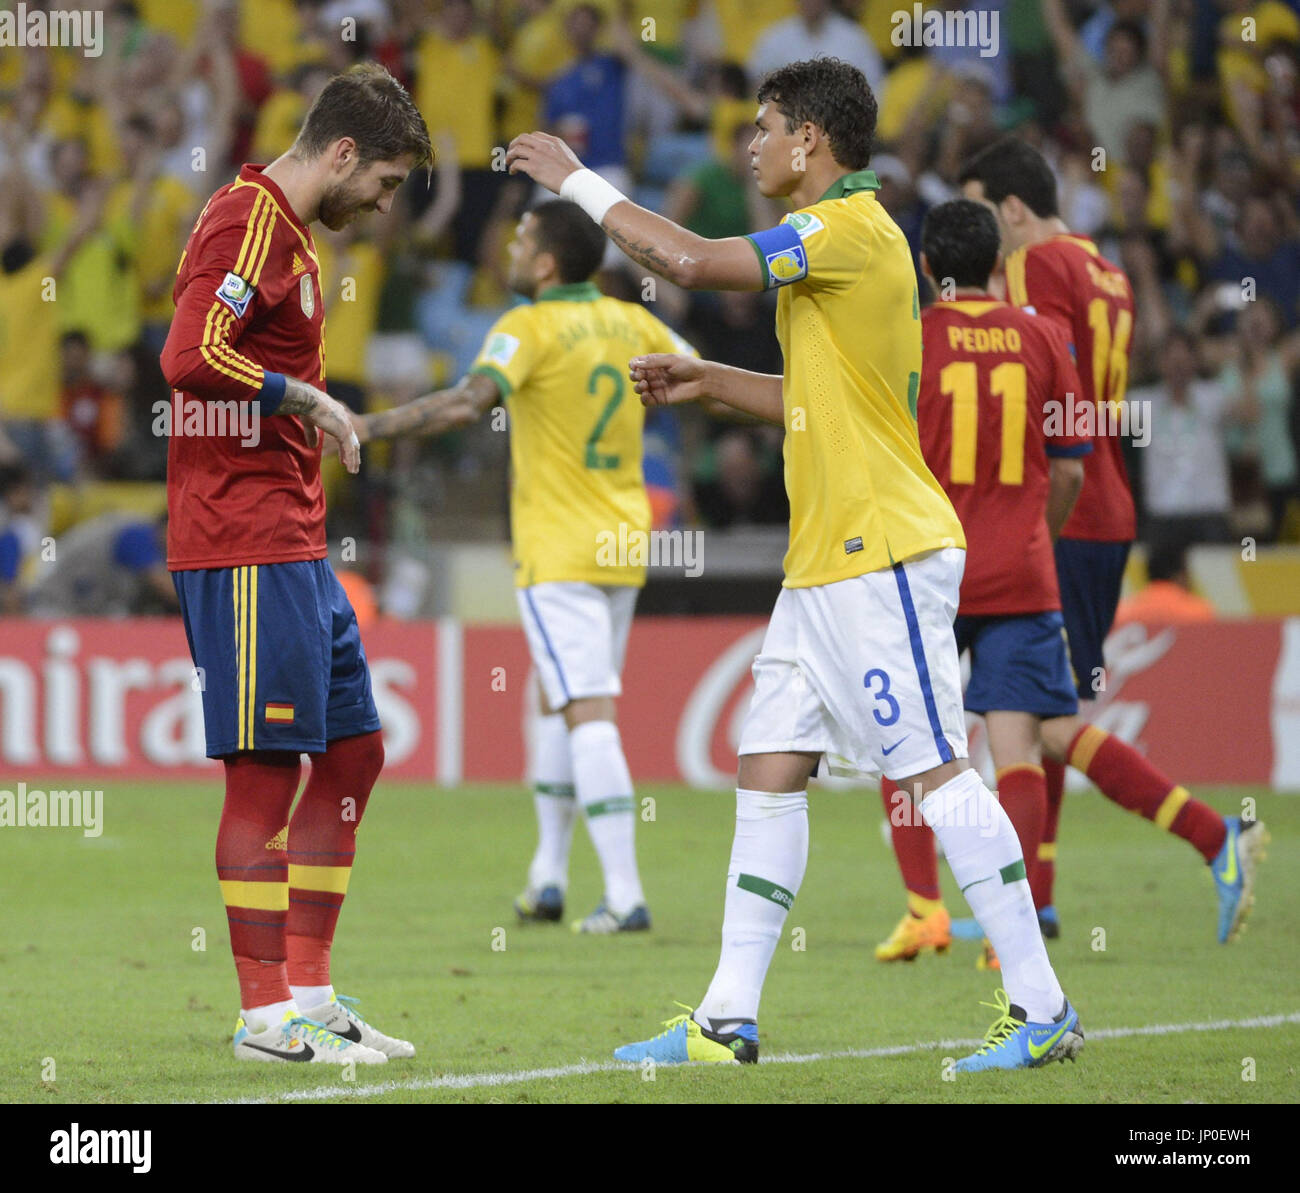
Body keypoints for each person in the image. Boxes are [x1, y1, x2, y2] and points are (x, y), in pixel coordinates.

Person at [506, 56, 1083, 1073]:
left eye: (763, 128)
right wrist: (709, 379)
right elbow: (817, 400)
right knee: (768, 765)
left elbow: (689, 261)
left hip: (882, 550)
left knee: (935, 768)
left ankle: (1042, 1005)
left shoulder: (849, 229)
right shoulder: (843, 246)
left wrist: (576, 181)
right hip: (824, 563)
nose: (751, 148)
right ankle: (727, 1016)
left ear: (808, 139)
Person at [159, 62, 431, 1065]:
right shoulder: (249, 221)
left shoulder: (292, 235)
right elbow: (187, 355)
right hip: (241, 537)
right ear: (344, 153)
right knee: (266, 771)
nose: (384, 205)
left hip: (295, 539)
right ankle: (263, 1013)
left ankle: (310, 992)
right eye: (386, 183)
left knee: (355, 754)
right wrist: (307, 398)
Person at [355, 199, 694, 934]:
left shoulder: (527, 327)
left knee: (586, 708)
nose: (507, 250)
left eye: (519, 240)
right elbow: (699, 377)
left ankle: (625, 893)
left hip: (559, 548)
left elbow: (466, 403)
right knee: (554, 694)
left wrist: (366, 425)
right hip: (623, 543)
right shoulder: (632, 322)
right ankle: (547, 875)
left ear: (544, 264)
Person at [958, 136, 1265, 944]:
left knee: (1037, 720)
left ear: (1013, 209)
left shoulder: (1034, 264)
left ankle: (1213, 835)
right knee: (1045, 706)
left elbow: (1045, 362)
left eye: (983, 213)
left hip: (1061, 509)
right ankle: (1039, 897)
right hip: (1109, 504)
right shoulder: (1109, 271)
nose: (982, 234)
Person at [874, 199, 1090, 968]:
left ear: (926, 266)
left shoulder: (909, 337)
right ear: (998, 264)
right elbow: (1071, 467)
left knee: (904, 739)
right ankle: (1011, 929)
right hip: (1020, 571)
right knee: (1016, 745)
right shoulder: (1043, 335)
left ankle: (924, 909)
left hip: (927, 563)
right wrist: (1037, 536)